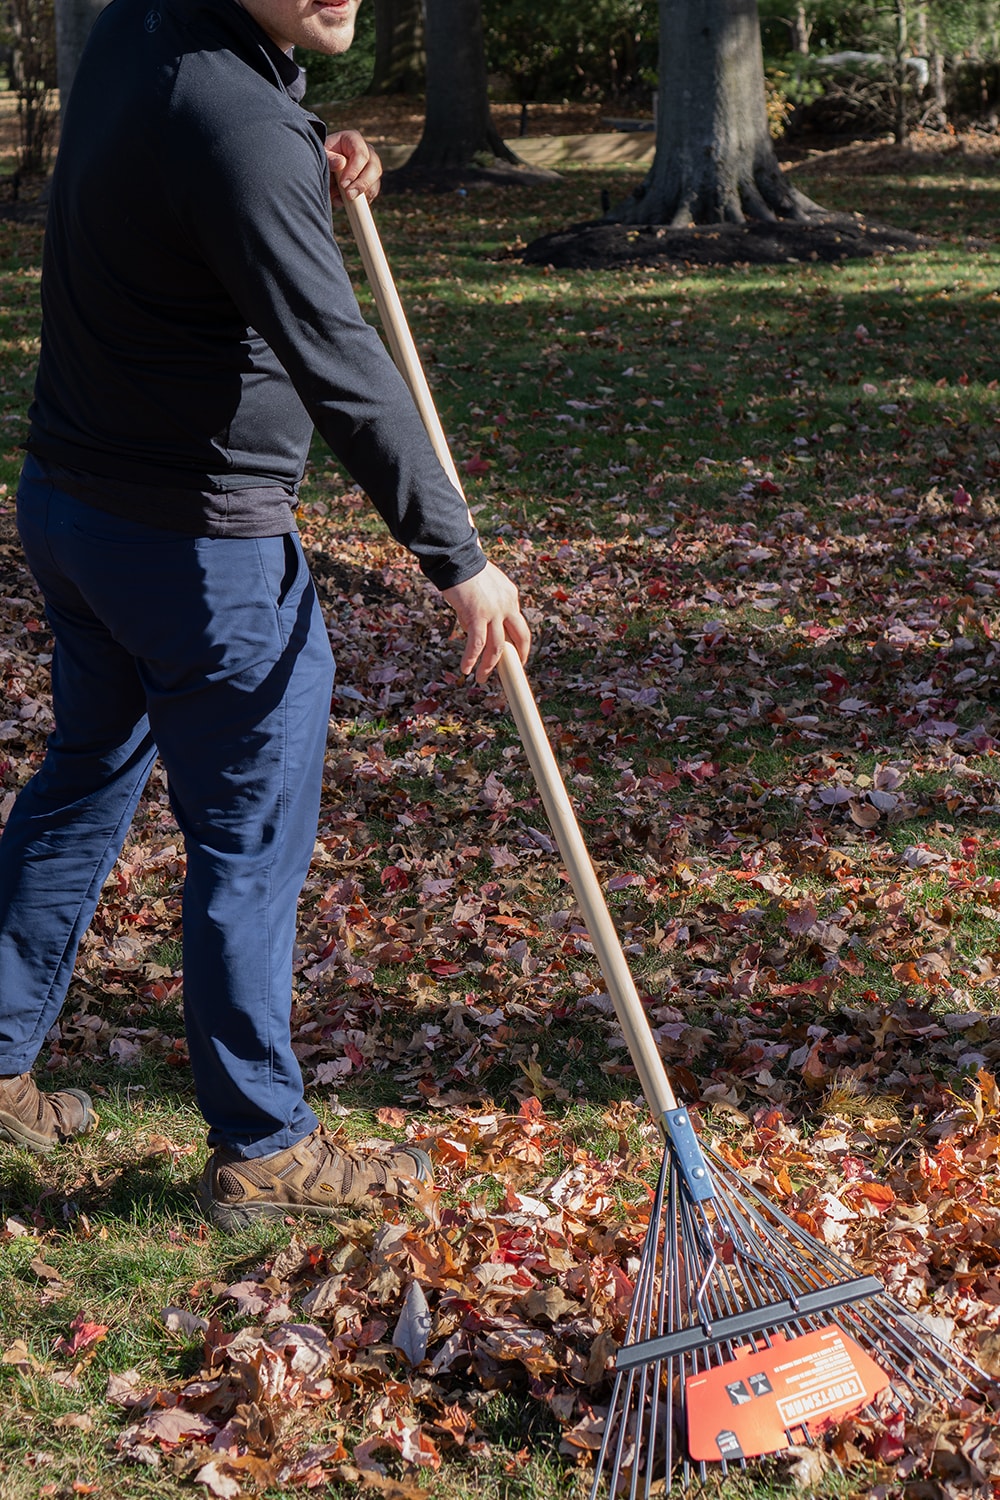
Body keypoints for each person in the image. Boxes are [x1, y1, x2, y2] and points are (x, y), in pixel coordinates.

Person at [0, 0, 530, 1230]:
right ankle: (265, 1146)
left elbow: (217, 142)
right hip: (198, 555)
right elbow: (336, 358)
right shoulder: (240, 123)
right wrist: (458, 557)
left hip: (73, 512)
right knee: (247, 835)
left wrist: (313, 135)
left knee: (85, 774)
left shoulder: (146, 38)